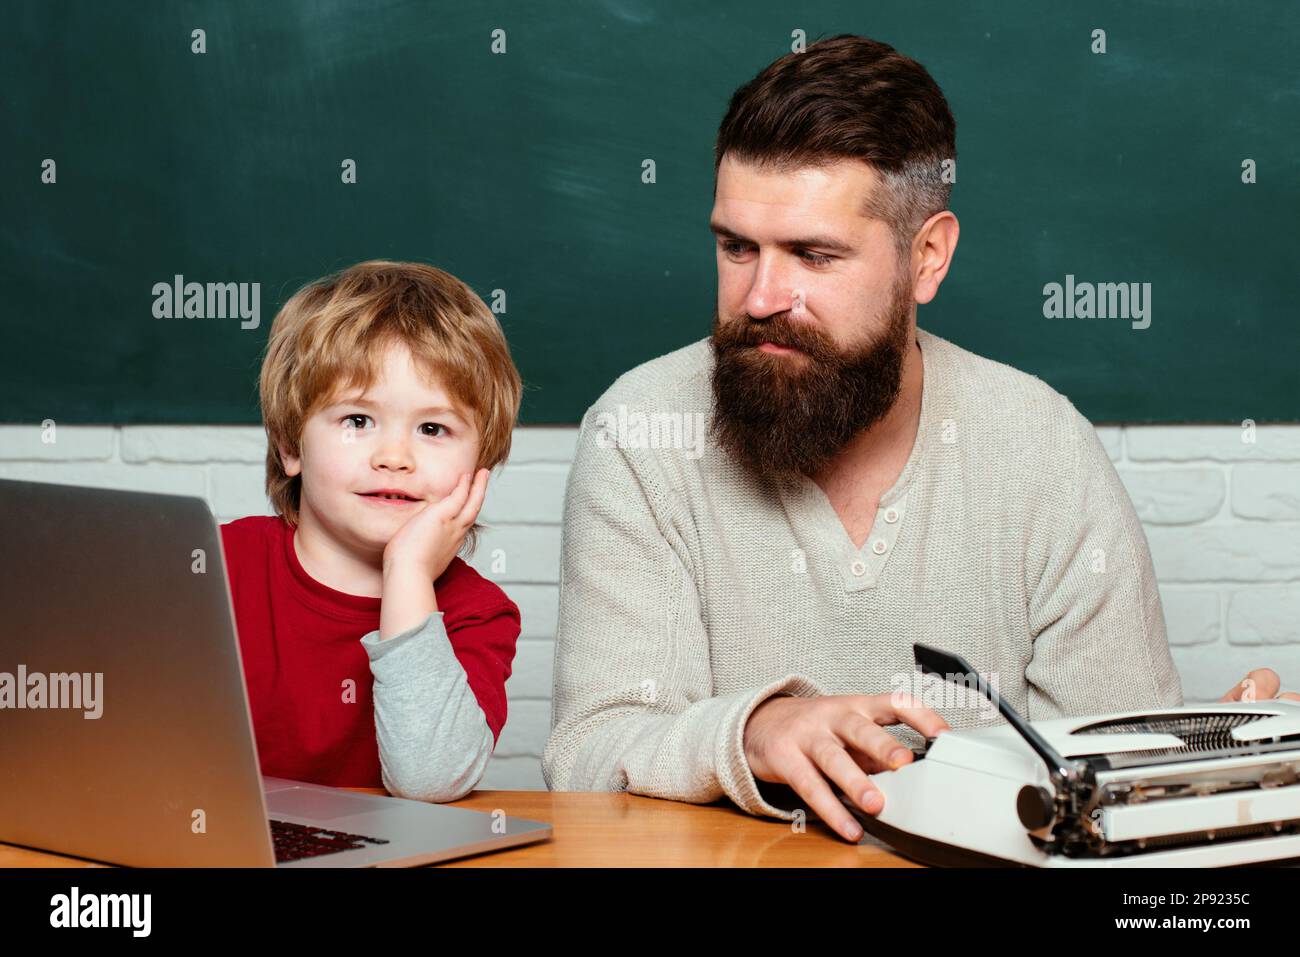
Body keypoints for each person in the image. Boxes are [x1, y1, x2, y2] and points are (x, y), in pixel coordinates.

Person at [542, 35, 1295, 843]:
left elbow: (1105, 785)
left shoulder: (1045, 448)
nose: (760, 296)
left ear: (927, 256)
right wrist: (754, 731)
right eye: (736, 247)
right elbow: (589, 752)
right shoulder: (639, 433)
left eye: (814, 254)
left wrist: (1218, 765)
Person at [222, 260, 522, 802]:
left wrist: (407, 573)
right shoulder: (214, 566)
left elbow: (429, 781)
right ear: (291, 446)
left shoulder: (479, 613)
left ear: (481, 466)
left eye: (433, 428)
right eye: (358, 420)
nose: (394, 457)